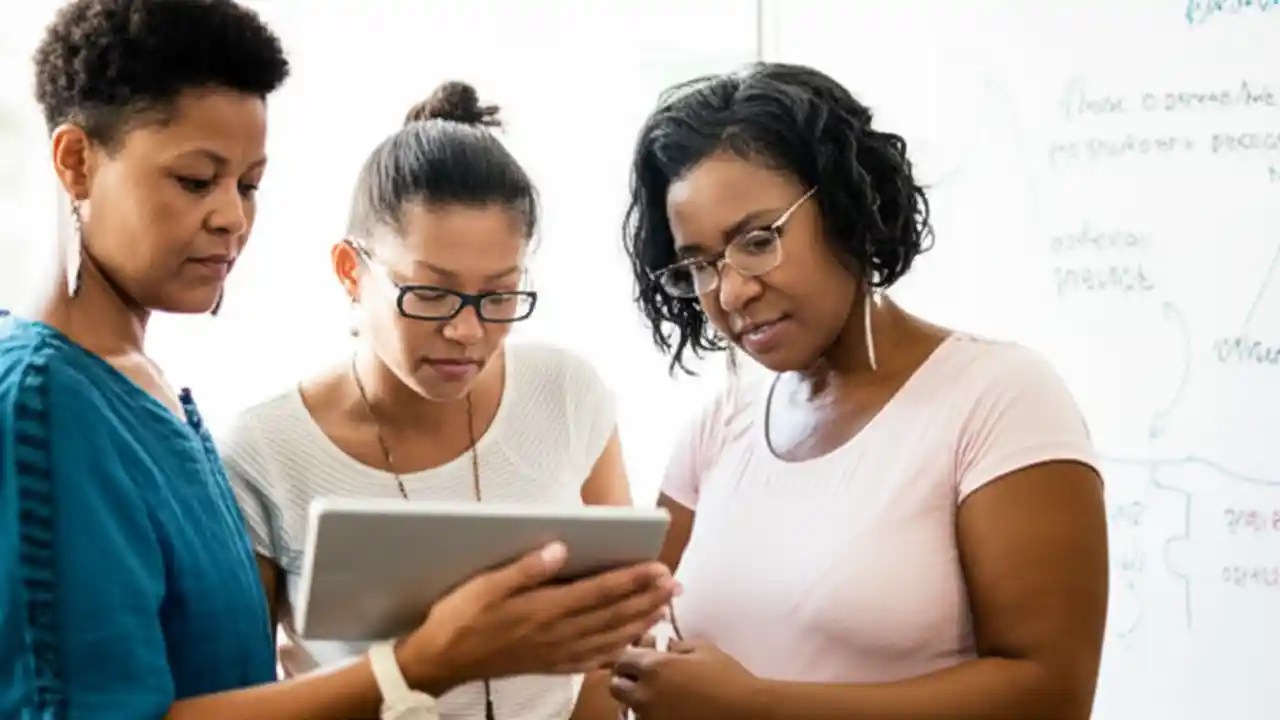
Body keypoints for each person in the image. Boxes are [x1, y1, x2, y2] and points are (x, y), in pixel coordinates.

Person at [0, 2, 675, 718]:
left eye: (249, 183)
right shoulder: (44, 403)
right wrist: (427, 661)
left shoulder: (144, 387)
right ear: (76, 161)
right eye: (197, 180)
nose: (232, 217)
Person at [608, 62, 1109, 719]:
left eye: (758, 241)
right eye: (700, 265)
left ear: (848, 207)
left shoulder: (999, 401)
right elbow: (635, 629)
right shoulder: (718, 426)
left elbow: (1049, 695)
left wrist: (757, 707)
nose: (729, 294)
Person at [220, 80, 637, 719]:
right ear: (350, 272)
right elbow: (240, 700)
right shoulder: (267, 451)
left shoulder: (567, 394)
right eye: (431, 294)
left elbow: (615, 634)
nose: (467, 331)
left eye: (500, 295)